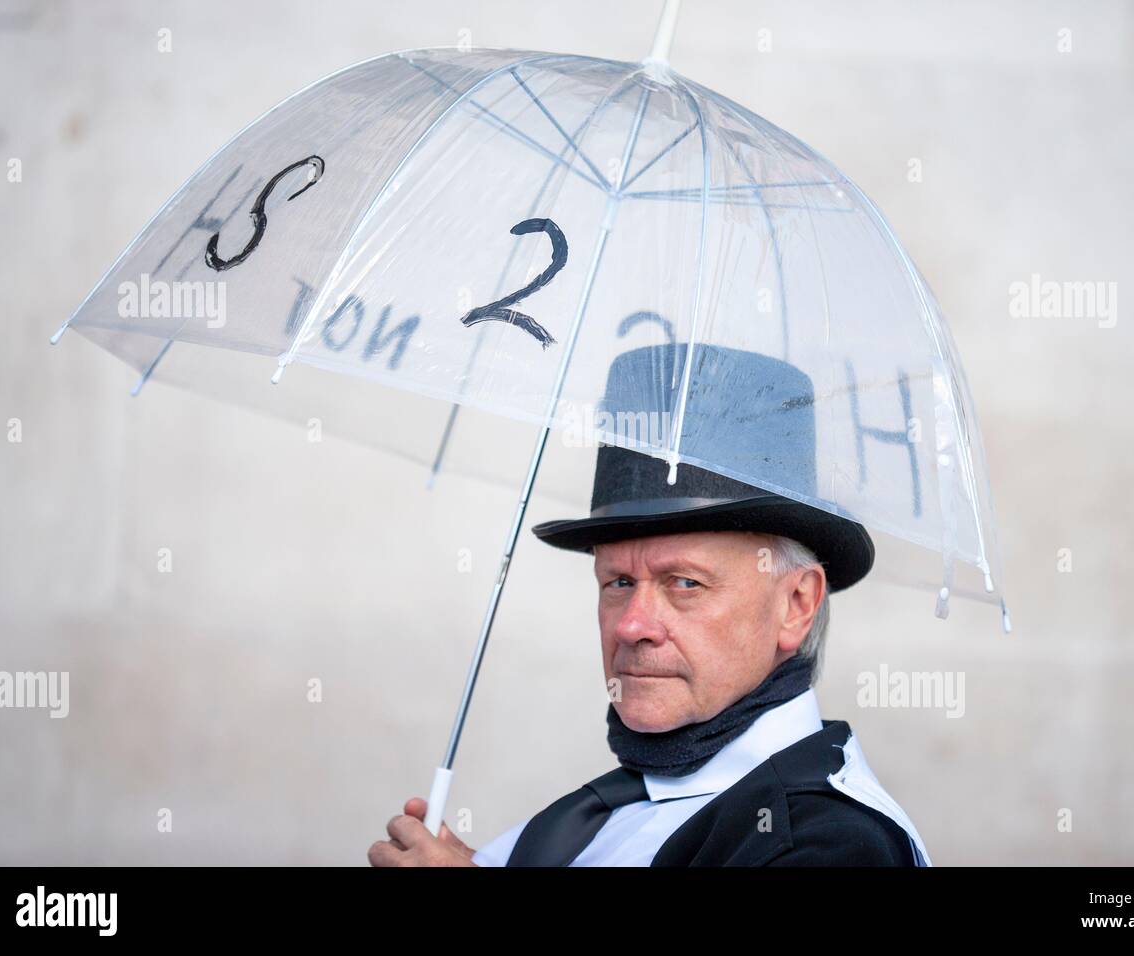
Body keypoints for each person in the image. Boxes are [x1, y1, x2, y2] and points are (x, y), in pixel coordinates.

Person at [368, 344, 931, 867]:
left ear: (796, 604)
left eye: (685, 584)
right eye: (616, 582)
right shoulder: (613, 811)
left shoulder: (836, 844)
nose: (633, 625)